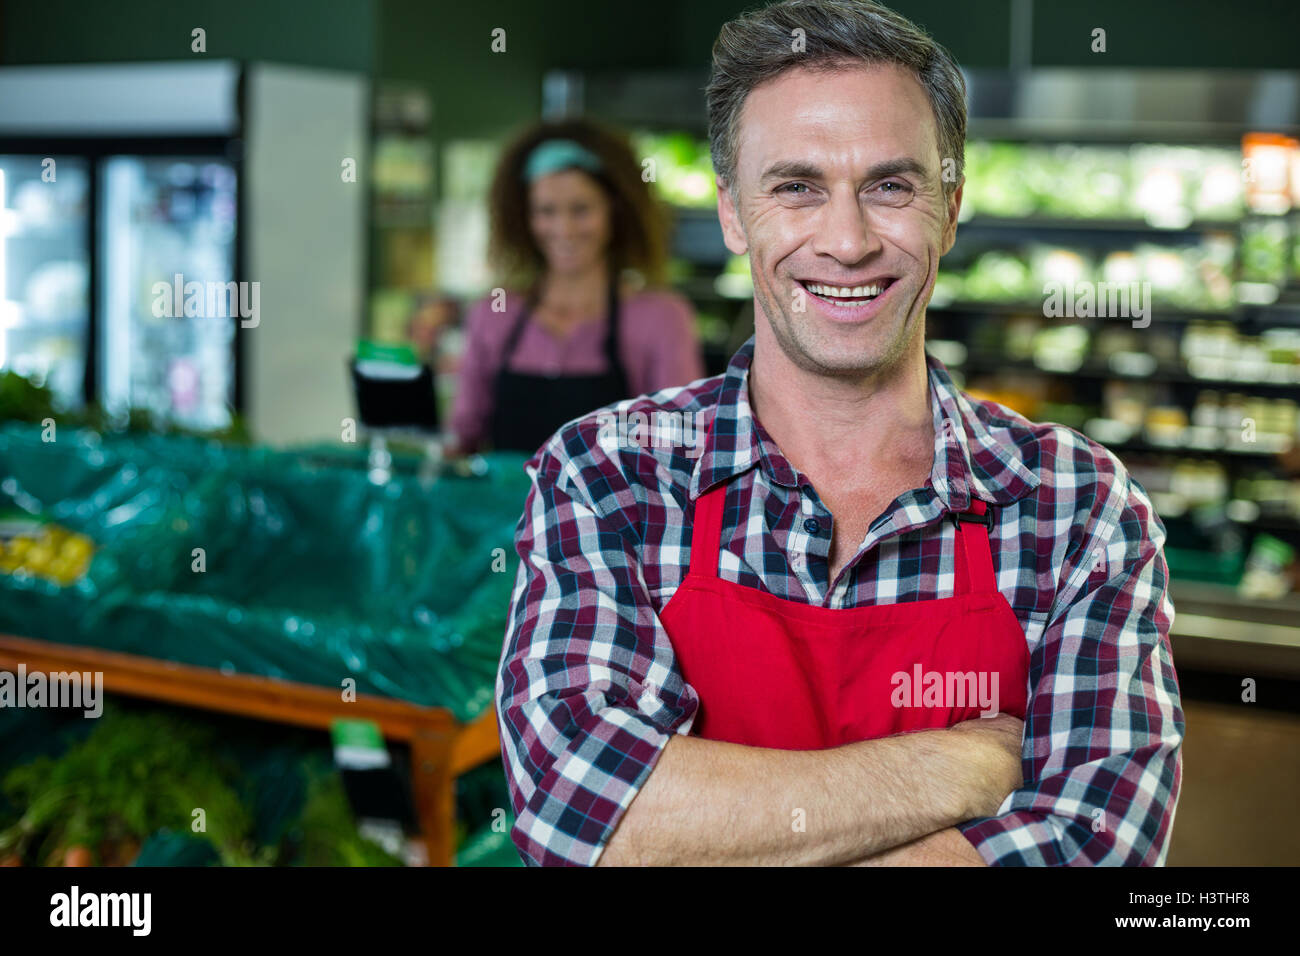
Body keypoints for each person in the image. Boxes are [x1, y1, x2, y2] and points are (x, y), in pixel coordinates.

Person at [496, 0, 1183, 866]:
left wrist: (706, 824)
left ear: (952, 204)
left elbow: (1095, 845)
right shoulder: (609, 476)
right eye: (796, 187)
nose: (849, 240)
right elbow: (584, 815)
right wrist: (960, 766)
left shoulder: (1077, 509)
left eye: (891, 186)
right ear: (735, 213)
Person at [449, 119, 705, 454]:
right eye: (546, 211)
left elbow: (682, 446)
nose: (564, 229)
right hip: (503, 508)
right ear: (524, 217)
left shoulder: (660, 317)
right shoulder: (493, 313)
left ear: (614, 210)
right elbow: (461, 439)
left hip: (616, 509)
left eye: (581, 210)